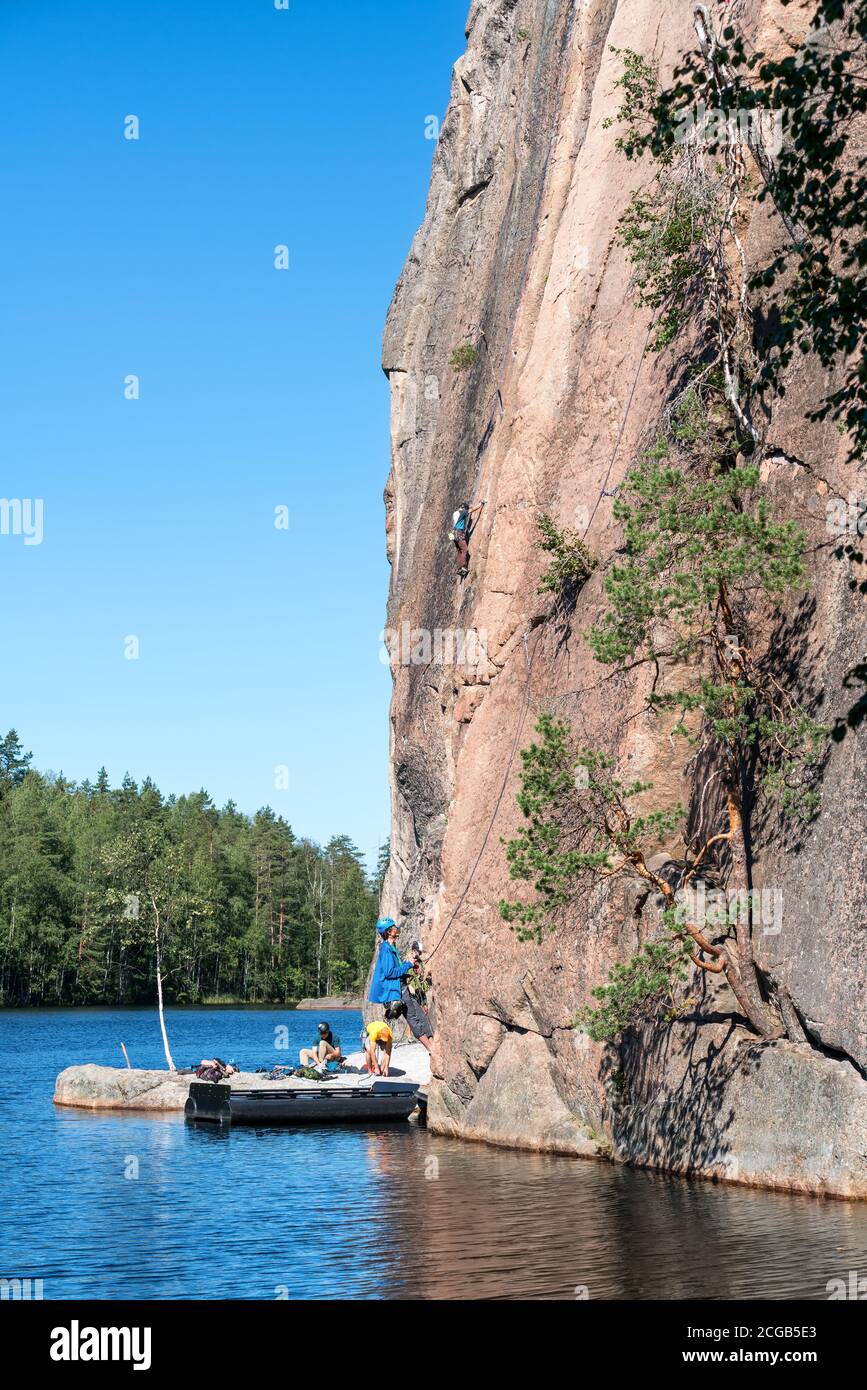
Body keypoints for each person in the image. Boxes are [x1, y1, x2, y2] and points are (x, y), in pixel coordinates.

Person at [368, 917, 413, 1008]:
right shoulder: (386, 949)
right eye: (393, 926)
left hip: (397, 988)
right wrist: (408, 965)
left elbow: (394, 969)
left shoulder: (391, 947)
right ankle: (391, 1002)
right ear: (389, 932)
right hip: (395, 989)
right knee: (415, 1017)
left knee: (415, 1017)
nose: (396, 928)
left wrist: (406, 964)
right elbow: (390, 972)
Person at [401, 943, 433, 1054]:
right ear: (414, 951)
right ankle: (429, 1046)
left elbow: (421, 984)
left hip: (417, 995)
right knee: (415, 1018)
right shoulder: (406, 963)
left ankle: (431, 1044)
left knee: (423, 1018)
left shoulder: (420, 964)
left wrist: (424, 1003)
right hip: (408, 994)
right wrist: (408, 985)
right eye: (418, 952)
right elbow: (403, 976)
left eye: (420, 953)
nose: (419, 954)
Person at [449, 499, 484, 577]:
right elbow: (472, 510)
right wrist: (480, 504)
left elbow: (464, 516)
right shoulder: (463, 512)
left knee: (459, 551)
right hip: (458, 533)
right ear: (464, 508)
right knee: (464, 549)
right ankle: (462, 568)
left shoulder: (455, 513)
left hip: (453, 534)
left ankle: (459, 567)